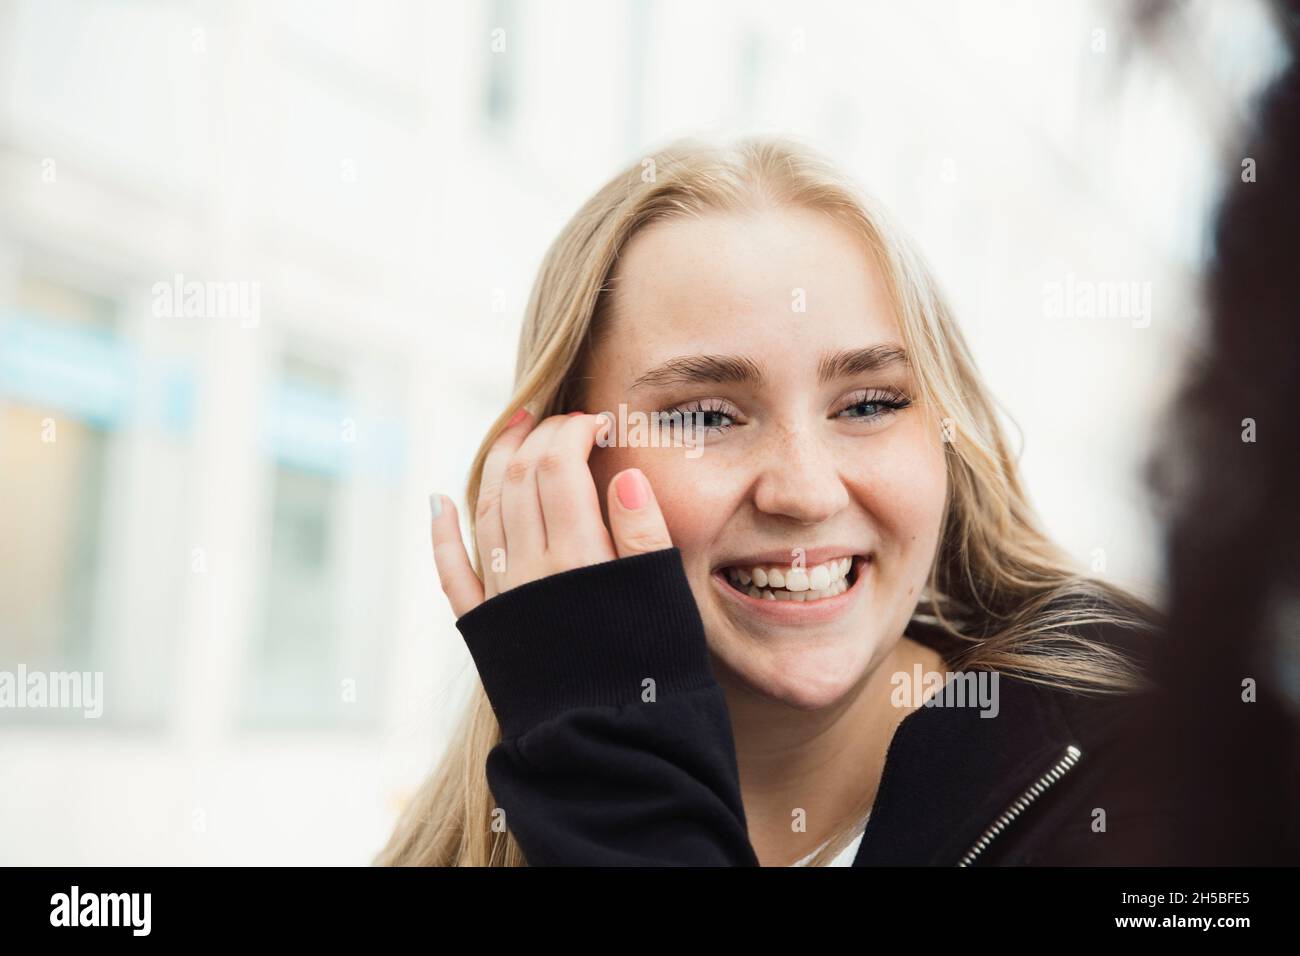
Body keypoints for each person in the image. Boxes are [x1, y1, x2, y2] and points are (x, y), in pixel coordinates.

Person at [375, 136, 1171, 867]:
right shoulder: (484, 824)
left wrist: (615, 802)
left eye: (869, 405)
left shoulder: (1152, 769)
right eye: (705, 416)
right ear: (558, 468)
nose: (805, 490)